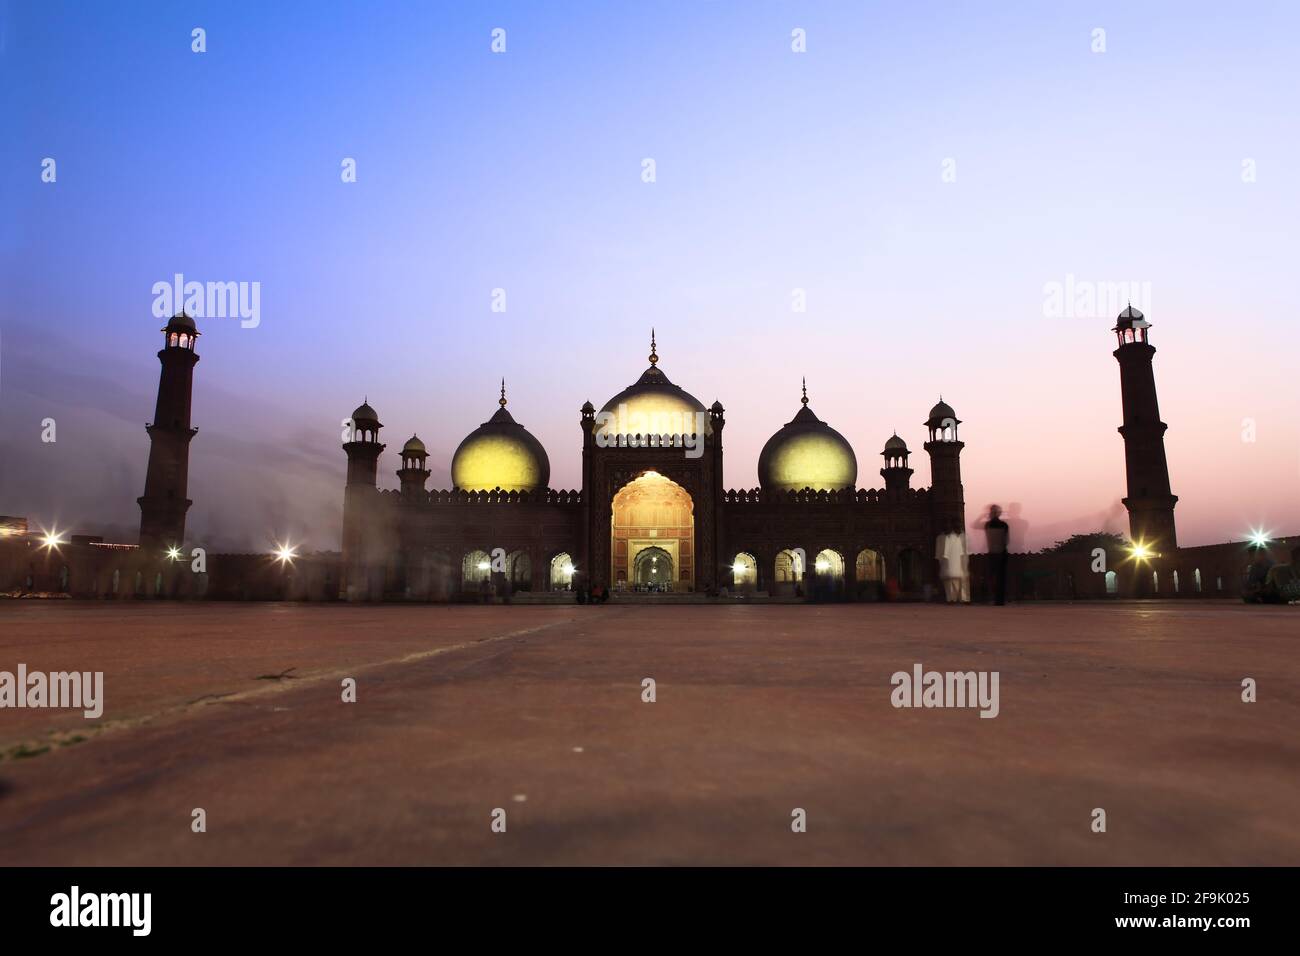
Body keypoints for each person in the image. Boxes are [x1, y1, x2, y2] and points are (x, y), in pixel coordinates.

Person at [936, 524, 969, 603]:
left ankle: (964, 598)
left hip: (963, 559)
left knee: (963, 580)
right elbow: (942, 552)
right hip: (949, 561)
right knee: (950, 581)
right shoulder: (946, 537)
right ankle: (951, 599)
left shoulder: (964, 536)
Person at [984, 505, 1010, 605]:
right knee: (999, 577)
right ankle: (999, 600)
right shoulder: (1003, 525)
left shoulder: (989, 525)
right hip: (999, 552)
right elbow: (1006, 540)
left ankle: (997, 599)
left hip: (995, 553)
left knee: (995, 577)